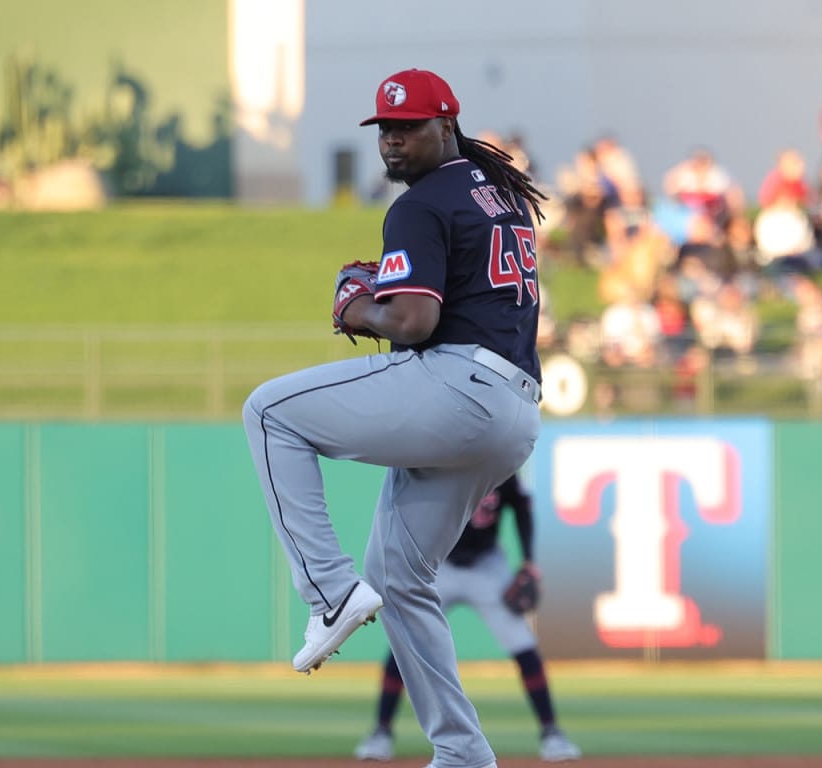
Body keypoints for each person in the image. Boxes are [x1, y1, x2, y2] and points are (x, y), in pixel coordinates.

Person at [242, 67, 546, 768]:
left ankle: (327, 590)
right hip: (512, 409)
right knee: (401, 577)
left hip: (460, 387)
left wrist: (355, 305)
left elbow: (412, 322)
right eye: (385, 128)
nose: (393, 141)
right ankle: (463, 752)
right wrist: (381, 292)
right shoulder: (497, 192)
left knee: (269, 412)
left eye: (409, 128)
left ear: (447, 125)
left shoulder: (420, 204)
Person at [353, 474, 583, 763]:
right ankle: (381, 732)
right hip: (438, 564)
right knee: (405, 641)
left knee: (523, 646)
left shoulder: (501, 464)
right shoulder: (445, 459)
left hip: (487, 565)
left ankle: (552, 734)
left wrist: (528, 561)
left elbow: (522, 509)